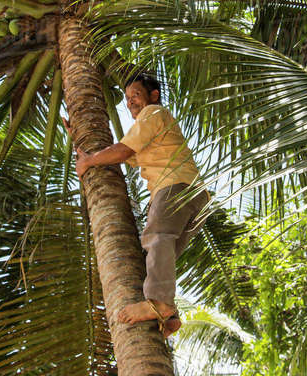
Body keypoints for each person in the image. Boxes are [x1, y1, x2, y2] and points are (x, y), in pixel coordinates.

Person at [63, 74, 209, 337]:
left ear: (153, 96)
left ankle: (160, 303)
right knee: (159, 256)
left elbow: (121, 151)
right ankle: (170, 314)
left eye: (136, 96)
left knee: (156, 237)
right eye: (128, 99)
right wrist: (80, 138)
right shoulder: (150, 131)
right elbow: (117, 153)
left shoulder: (153, 113)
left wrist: (88, 162)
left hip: (173, 185)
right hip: (194, 197)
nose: (131, 103)